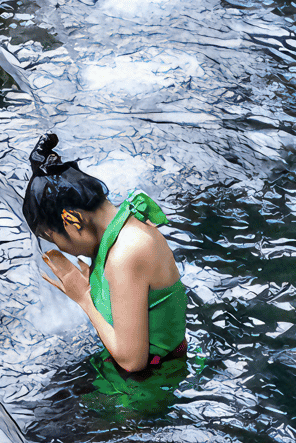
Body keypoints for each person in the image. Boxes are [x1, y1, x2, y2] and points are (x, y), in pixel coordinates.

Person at [23, 133, 188, 379]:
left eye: (53, 239)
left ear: (72, 220)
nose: (61, 249)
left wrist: (84, 298)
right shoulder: (124, 227)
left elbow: (132, 361)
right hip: (154, 368)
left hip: (151, 383)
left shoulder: (125, 253)